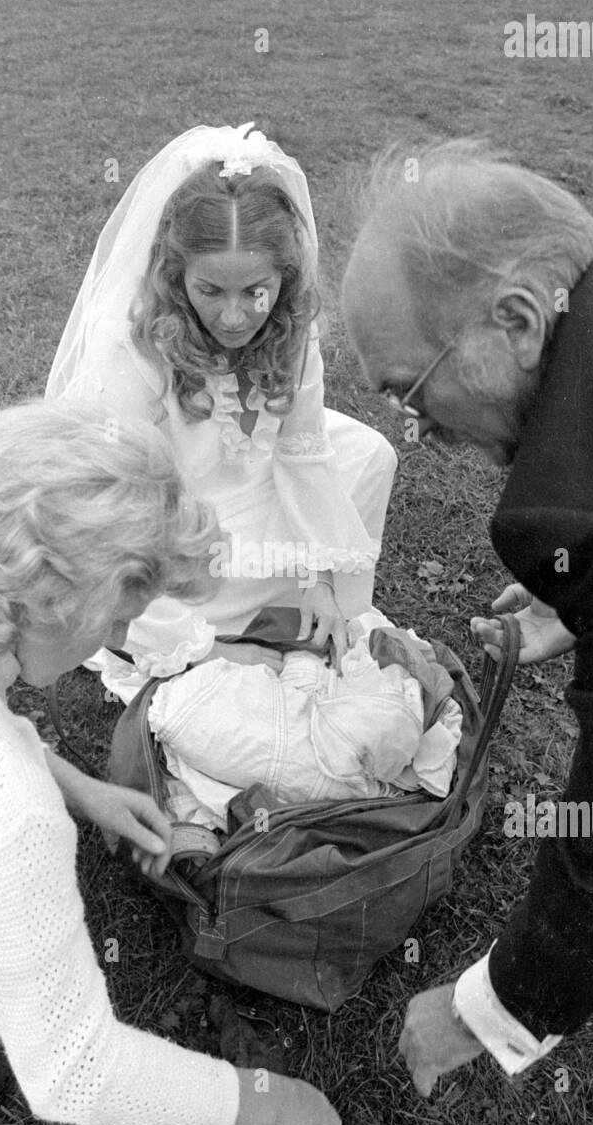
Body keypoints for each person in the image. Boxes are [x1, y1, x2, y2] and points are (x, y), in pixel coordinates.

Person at [0, 402, 342, 1125]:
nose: (120, 638)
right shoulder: (4, 811)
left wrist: (86, 790)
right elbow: (73, 1067)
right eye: (118, 616)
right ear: (54, 605)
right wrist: (271, 1101)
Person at [341, 138, 593, 1092]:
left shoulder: (586, 513)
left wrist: (487, 1005)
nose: (427, 436)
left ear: (519, 319)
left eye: (411, 395)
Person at [46, 122, 397, 700]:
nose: (235, 317)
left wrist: (320, 577)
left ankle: (309, 610)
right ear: (175, 275)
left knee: (366, 453)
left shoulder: (291, 329)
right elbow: (117, 509)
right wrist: (208, 649)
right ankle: (208, 639)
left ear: (285, 278)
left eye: (255, 291)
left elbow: (301, 451)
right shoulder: (133, 349)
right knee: (169, 567)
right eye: (210, 291)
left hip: (250, 474)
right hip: (167, 506)